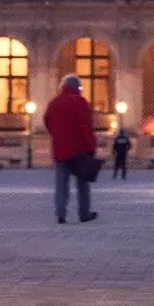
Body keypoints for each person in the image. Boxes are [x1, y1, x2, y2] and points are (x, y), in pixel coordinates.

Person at [44, 73, 98, 223]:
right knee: (83, 184)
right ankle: (84, 213)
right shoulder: (82, 103)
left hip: (60, 149)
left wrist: (57, 136)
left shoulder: (54, 103)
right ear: (78, 87)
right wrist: (91, 146)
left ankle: (60, 214)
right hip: (80, 150)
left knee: (61, 184)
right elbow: (86, 128)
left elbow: (48, 122)